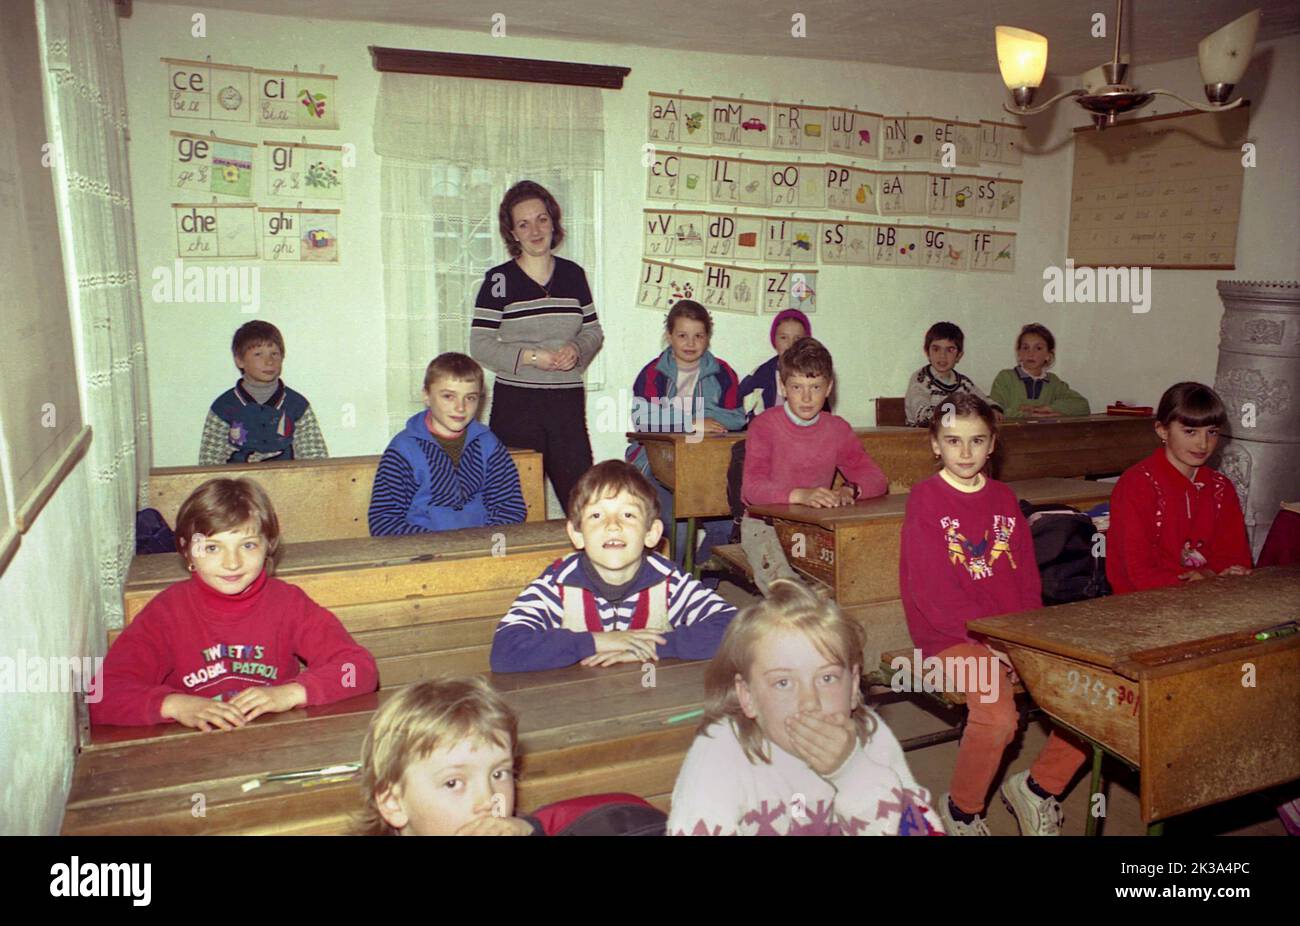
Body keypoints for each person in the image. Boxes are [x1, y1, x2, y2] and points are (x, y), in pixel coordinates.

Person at [900, 393, 1087, 835]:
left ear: (993, 444)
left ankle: (1039, 786)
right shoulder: (926, 501)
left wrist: (1023, 638)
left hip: (1010, 633)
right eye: (953, 440)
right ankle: (963, 810)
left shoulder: (1004, 498)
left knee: (1091, 696)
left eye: (976, 441)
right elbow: (932, 593)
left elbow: (1026, 582)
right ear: (934, 444)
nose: (965, 453)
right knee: (999, 715)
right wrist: (990, 641)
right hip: (949, 636)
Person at [90, 478, 377, 730]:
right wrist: (176, 706)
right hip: (191, 753)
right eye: (212, 548)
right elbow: (101, 695)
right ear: (187, 551)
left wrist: (290, 693)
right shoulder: (167, 612)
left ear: (269, 546)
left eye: (248, 545)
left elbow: (359, 670)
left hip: (274, 742)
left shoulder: (288, 603)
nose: (232, 562)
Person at [667, 580, 945, 836]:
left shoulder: (870, 737)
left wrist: (853, 772)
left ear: (853, 686)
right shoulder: (721, 750)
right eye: (783, 682)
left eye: (827, 678)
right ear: (748, 696)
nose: (809, 701)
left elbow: (925, 829)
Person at [490, 460, 737, 673]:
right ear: (576, 535)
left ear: (651, 533)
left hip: (653, 703)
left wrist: (654, 645)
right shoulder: (558, 583)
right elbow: (506, 649)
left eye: (628, 515)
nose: (613, 526)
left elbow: (736, 627)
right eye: (597, 516)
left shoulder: (668, 580)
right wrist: (600, 642)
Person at [470, 180, 603, 515]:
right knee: (514, 506)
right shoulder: (498, 280)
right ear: (512, 232)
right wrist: (531, 356)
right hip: (517, 405)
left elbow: (593, 331)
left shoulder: (574, 275)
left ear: (553, 222)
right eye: (523, 224)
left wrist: (576, 349)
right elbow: (480, 344)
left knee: (583, 503)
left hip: (567, 404)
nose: (535, 230)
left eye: (541, 219)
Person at [740, 337, 888, 593]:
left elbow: (876, 478)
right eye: (797, 387)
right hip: (764, 523)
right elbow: (752, 489)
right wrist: (800, 495)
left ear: (829, 387)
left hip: (813, 523)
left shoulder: (837, 428)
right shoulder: (763, 426)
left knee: (856, 577)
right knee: (788, 590)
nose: (807, 398)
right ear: (783, 387)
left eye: (816, 387)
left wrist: (850, 489)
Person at [626, 299, 745, 564]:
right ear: (669, 336)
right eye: (682, 335)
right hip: (659, 466)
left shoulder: (723, 373)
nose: (690, 343)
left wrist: (701, 418)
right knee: (675, 530)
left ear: (707, 338)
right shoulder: (653, 373)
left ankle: (699, 586)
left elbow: (736, 417)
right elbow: (642, 417)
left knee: (726, 529)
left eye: (698, 336)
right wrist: (690, 422)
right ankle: (672, 583)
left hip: (709, 466)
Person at [1106, 382, 1252, 594]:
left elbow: (1236, 557)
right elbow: (1135, 572)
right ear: (1162, 430)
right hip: (1144, 603)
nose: (1203, 444)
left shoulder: (1221, 487)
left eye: (1212, 432)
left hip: (1209, 595)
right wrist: (1193, 584)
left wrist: (1210, 576)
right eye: (1190, 431)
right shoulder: (1136, 485)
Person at [368, 352, 526, 535]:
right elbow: (384, 521)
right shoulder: (403, 449)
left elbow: (509, 507)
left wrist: (486, 541)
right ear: (426, 396)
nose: (461, 407)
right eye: (448, 396)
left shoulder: (488, 444)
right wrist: (439, 545)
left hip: (482, 545)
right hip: (422, 553)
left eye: (470, 398)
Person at [198, 320, 328, 464]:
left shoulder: (297, 405)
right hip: (238, 484)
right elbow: (209, 462)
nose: (269, 361)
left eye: (274, 354)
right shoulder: (223, 407)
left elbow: (316, 459)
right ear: (239, 361)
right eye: (258, 354)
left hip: (286, 482)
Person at [903, 321, 1001, 427]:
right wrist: (959, 416)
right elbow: (921, 415)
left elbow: (984, 400)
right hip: (921, 437)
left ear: (959, 356)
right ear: (927, 352)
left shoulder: (964, 383)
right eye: (936, 349)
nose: (942, 356)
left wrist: (992, 409)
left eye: (950, 350)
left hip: (954, 435)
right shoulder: (921, 379)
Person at [990, 323, 1090, 418]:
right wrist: (1028, 415)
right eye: (1025, 348)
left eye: (1038, 348)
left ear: (1048, 355)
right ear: (1019, 353)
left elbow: (1082, 405)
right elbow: (995, 411)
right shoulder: (1006, 377)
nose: (1031, 353)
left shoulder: (1053, 382)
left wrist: (1049, 408)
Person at [737, 309, 810, 422]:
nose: (791, 344)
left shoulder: (815, 375)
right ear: (774, 340)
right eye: (783, 337)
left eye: (798, 338)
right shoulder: (758, 377)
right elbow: (741, 418)